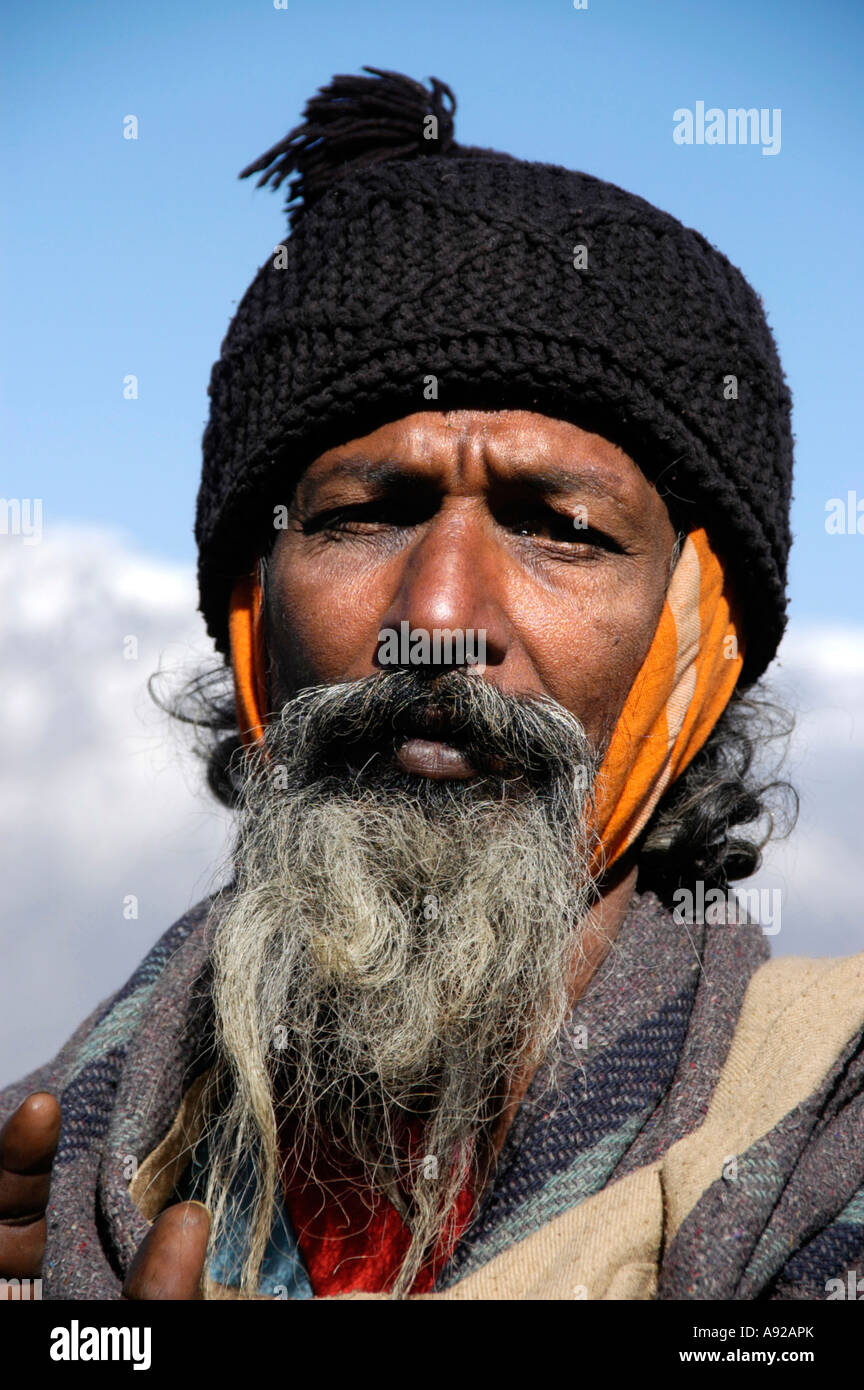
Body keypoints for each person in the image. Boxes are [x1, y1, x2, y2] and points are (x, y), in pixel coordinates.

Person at [3, 66, 863, 1303]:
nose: (439, 618)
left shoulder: (823, 1145)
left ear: (702, 633)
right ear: (252, 610)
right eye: (366, 514)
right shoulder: (51, 1178)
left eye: (559, 526)